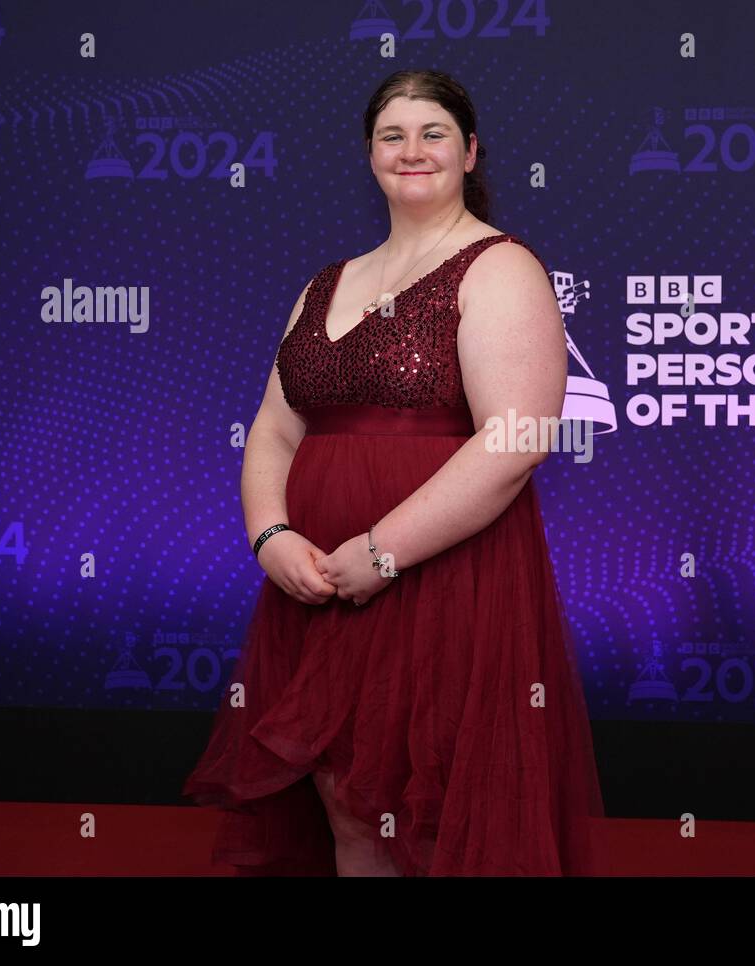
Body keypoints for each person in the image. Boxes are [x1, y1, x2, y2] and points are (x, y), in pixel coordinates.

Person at [182, 69, 609, 876]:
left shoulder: (501, 267)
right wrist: (270, 535)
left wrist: (381, 552)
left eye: (433, 133)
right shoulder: (325, 284)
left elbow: (516, 440)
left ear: (471, 151)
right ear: (370, 155)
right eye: (392, 135)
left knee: (434, 812)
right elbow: (274, 429)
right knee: (347, 801)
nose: (412, 151)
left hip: (444, 577)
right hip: (317, 586)